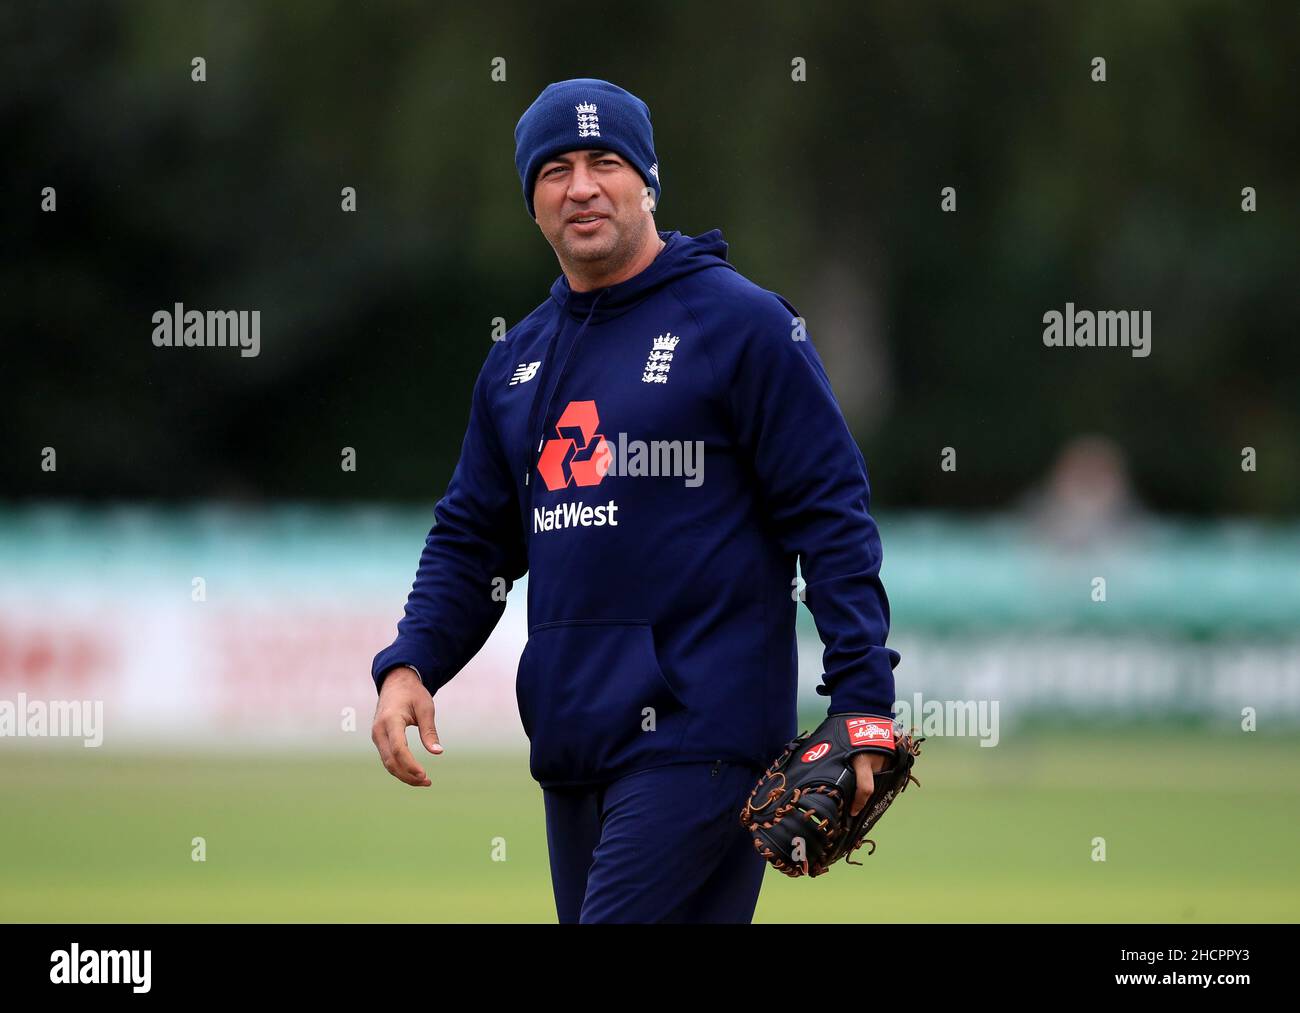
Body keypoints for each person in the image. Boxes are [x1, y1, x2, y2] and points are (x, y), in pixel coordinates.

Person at [370, 78, 900, 923]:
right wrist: (411, 662)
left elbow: (832, 513)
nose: (581, 185)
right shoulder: (517, 363)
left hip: (703, 740)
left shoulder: (743, 327)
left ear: (647, 181)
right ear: (533, 202)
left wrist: (864, 698)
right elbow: (473, 538)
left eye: (605, 161)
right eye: (555, 169)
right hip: (575, 743)